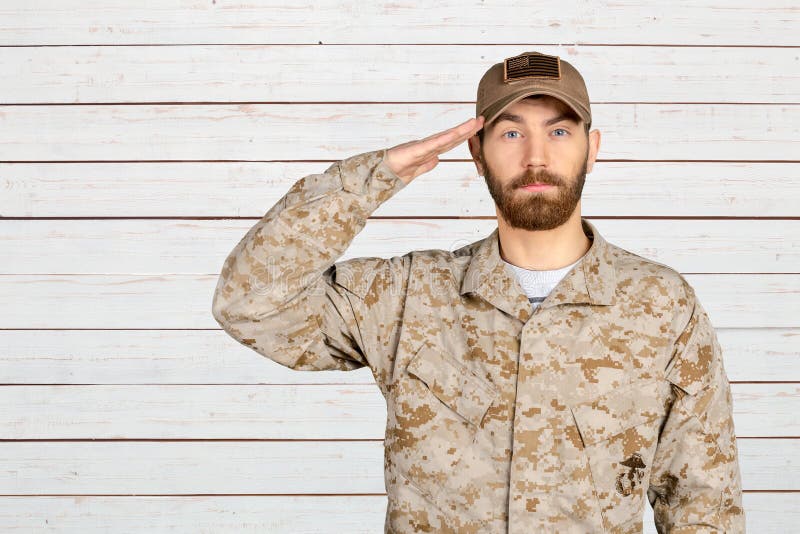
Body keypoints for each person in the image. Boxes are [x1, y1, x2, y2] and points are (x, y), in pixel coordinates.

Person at [212, 51, 745, 533]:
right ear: (476, 151)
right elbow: (250, 303)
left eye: (560, 132)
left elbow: (704, 507)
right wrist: (376, 176)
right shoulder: (406, 296)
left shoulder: (662, 305)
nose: (536, 156)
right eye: (511, 133)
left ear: (592, 149)